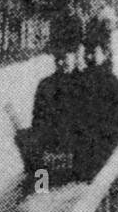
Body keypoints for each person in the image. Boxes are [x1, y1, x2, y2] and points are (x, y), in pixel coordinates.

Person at [14, 10, 86, 184]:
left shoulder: (82, 83)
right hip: (63, 158)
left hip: (70, 158)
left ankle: (41, 187)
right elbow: (40, 124)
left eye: (65, 56)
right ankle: (41, 190)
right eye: (59, 57)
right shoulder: (49, 85)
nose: (62, 61)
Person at [72, 11, 118, 181]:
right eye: (87, 53)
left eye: (93, 53)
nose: (88, 57)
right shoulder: (78, 80)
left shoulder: (110, 83)